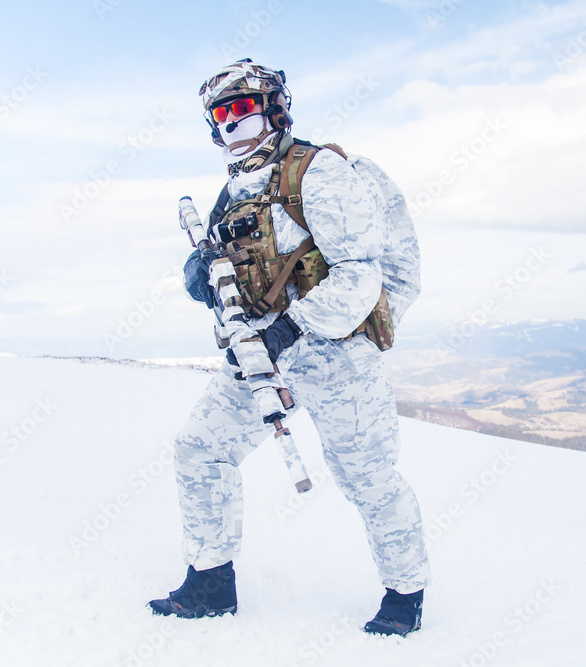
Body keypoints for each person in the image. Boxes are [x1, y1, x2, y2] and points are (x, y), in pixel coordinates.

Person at [148, 59, 431, 637]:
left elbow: (359, 275)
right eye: (220, 115)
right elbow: (238, 266)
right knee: (200, 449)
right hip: (258, 355)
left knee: (366, 476)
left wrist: (290, 330)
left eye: (242, 109)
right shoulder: (236, 189)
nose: (232, 125)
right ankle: (209, 582)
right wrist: (200, 276)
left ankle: (405, 595)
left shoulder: (318, 172)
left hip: (337, 352)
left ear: (272, 107)